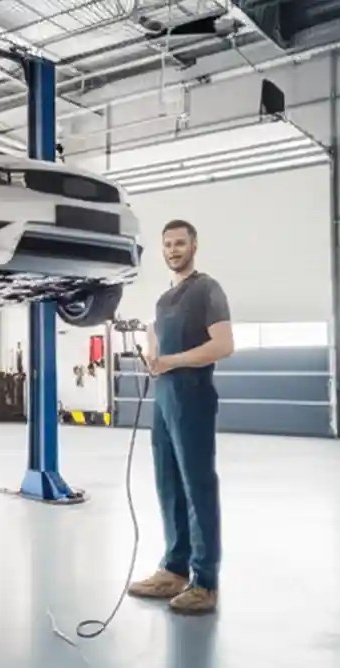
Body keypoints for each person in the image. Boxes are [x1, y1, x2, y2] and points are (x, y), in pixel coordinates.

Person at [127, 219, 235, 615]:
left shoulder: (207, 289)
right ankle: (174, 569)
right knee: (168, 485)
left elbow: (223, 345)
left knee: (197, 486)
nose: (173, 250)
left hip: (192, 396)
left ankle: (204, 582)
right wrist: (151, 354)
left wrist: (171, 361)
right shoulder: (162, 300)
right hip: (164, 398)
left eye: (180, 243)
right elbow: (156, 345)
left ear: (194, 245)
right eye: (168, 244)